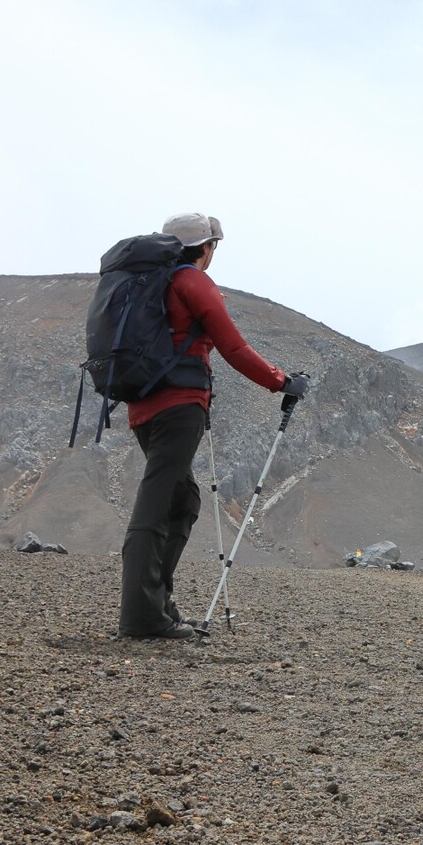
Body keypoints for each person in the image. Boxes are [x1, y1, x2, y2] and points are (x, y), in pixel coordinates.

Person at [118, 212, 309, 639]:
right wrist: (282, 382)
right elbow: (233, 346)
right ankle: (142, 618)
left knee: (182, 500)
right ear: (206, 247)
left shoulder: (145, 284)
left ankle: (158, 604)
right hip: (180, 406)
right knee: (159, 502)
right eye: (213, 247)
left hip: (142, 408)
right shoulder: (190, 281)